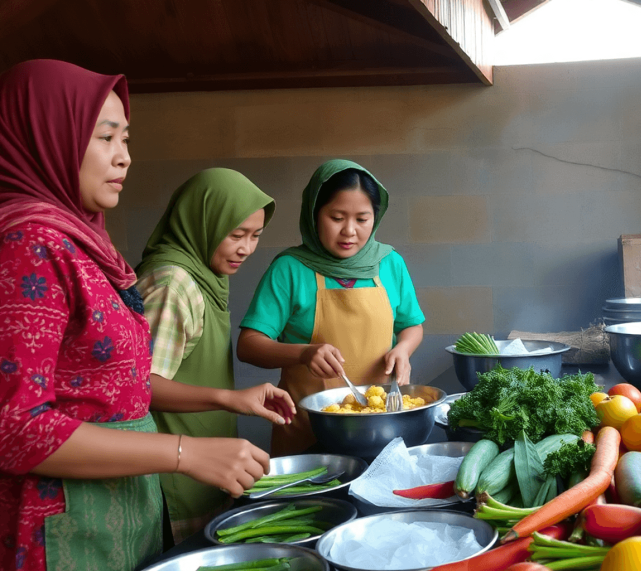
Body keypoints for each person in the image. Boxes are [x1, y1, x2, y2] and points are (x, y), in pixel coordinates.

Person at [0, 59, 269, 571]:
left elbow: (117, 387)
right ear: (48, 138)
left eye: (126, 139)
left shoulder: (80, 244)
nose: (124, 158)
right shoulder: (28, 246)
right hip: (61, 530)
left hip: (116, 518)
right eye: (106, 138)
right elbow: (13, 427)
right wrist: (186, 453)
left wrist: (225, 401)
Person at [135, 168, 296, 544]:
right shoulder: (174, 283)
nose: (246, 248)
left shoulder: (204, 276)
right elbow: (141, 386)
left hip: (201, 461)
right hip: (171, 475)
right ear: (200, 221)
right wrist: (229, 398)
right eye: (236, 234)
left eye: (255, 236)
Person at [237, 159, 425, 456]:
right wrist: (304, 352)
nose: (349, 231)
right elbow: (248, 345)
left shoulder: (390, 263)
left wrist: (403, 350)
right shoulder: (290, 269)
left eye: (362, 219)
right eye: (337, 217)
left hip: (380, 428)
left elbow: (412, 325)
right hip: (307, 431)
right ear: (314, 214)